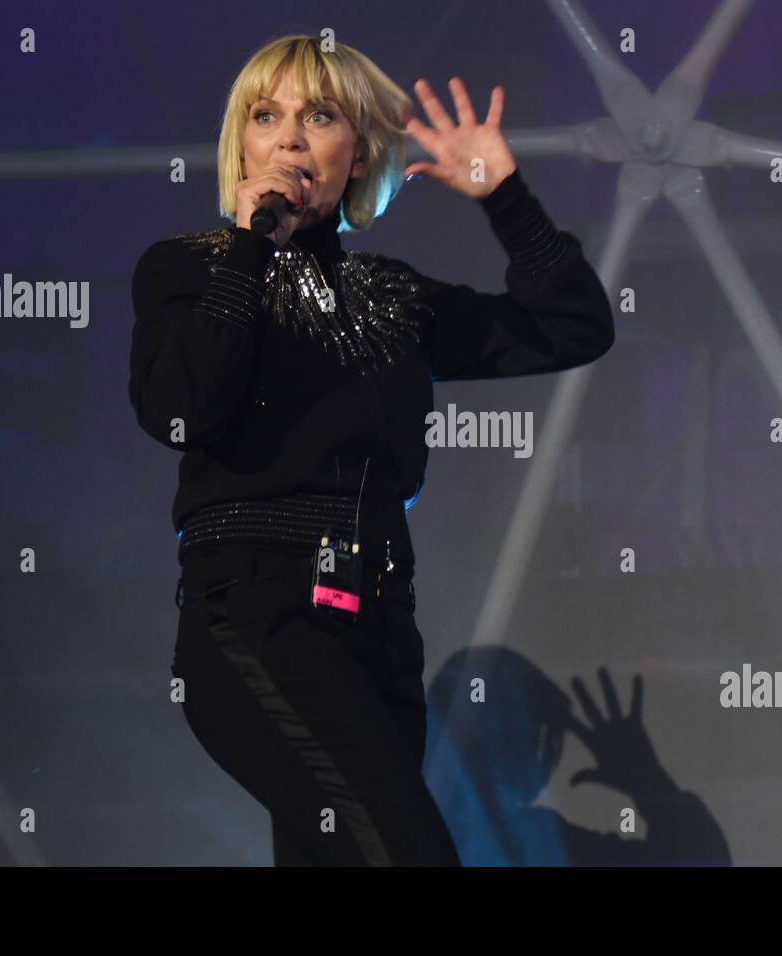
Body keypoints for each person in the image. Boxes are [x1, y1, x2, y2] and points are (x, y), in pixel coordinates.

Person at [128, 34, 614, 866]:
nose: (288, 137)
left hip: (379, 625)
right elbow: (180, 409)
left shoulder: (395, 297)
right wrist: (253, 246)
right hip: (256, 612)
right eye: (266, 116)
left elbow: (573, 328)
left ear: (356, 154)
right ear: (240, 143)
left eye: (318, 116)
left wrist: (504, 198)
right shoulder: (189, 271)